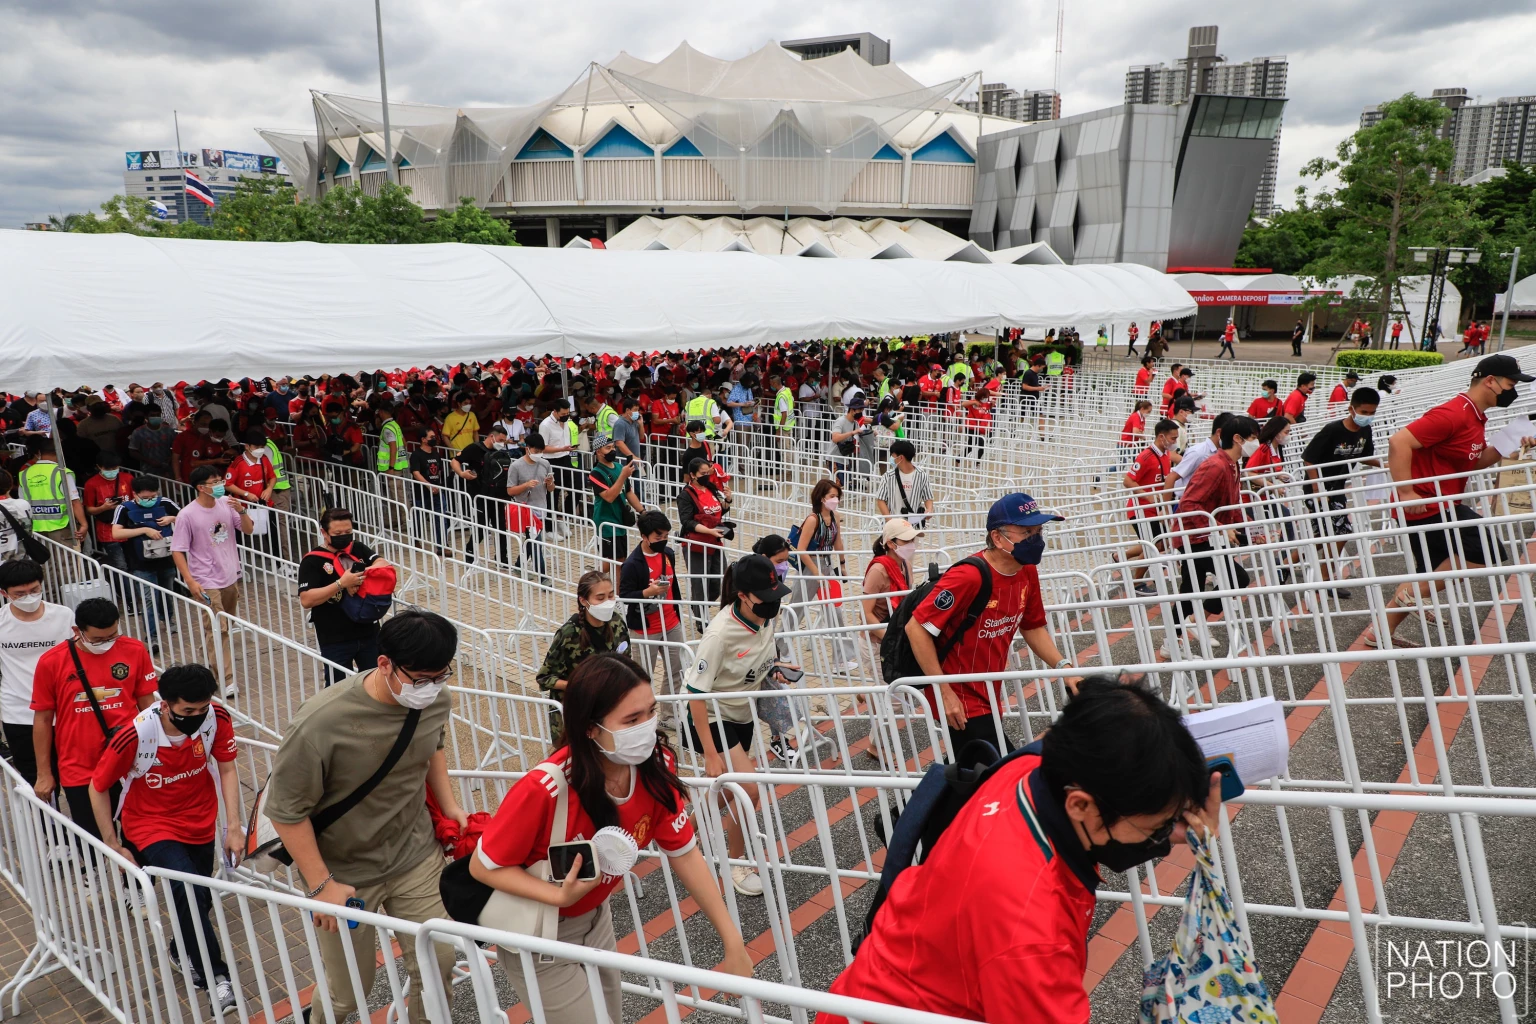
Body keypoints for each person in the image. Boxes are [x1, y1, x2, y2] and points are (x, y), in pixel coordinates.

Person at [822, 678, 1218, 1024]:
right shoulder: (1030, 930)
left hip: (875, 989)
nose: (1161, 839)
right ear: (1080, 805)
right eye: (1155, 828)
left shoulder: (1033, 766)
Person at [470, 653, 751, 1022]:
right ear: (590, 727)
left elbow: (685, 853)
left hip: (596, 918)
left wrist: (732, 940)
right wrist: (558, 895)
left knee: (610, 1017)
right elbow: (484, 865)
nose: (648, 727)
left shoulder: (657, 766)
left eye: (651, 712)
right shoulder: (545, 789)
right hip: (542, 934)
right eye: (632, 720)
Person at [266, 610, 467, 1024]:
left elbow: (433, 747)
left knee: (439, 963)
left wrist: (449, 806)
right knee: (349, 993)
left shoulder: (435, 699)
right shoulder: (321, 722)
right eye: (421, 679)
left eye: (441, 676)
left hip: (415, 856)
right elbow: (287, 812)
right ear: (385, 664)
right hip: (345, 874)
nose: (431, 689)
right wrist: (322, 885)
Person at [88, 663, 241, 1011]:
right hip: (150, 825)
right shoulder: (136, 734)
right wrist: (114, 844)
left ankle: (182, 946)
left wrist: (233, 827)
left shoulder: (217, 716)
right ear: (165, 702)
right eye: (188, 710)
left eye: (202, 708)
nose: (198, 716)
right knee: (185, 888)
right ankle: (215, 976)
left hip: (201, 820)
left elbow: (228, 768)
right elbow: (97, 786)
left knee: (200, 894)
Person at [1371, 356, 1536, 648]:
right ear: (1490, 381)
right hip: (1427, 505)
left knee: (1433, 571)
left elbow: (1471, 463)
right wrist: (1407, 492)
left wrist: (1508, 443)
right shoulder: (1454, 413)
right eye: (1510, 384)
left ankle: (1381, 632)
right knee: (1485, 548)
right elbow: (1399, 442)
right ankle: (1409, 595)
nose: (1512, 391)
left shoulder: (1474, 417)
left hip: (1438, 503)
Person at [906, 493, 1074, 757]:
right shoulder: (968, 576)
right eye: (1026, 531)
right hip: (959, 695)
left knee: (971, 773)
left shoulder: (1026, 570)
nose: (1036, 539)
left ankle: (927, 799)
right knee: (1002, 768)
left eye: (1039, 531)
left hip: (989, 691)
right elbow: (916, 628)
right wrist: (944, 692)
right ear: (997, 538)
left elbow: (1032, 627)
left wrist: (1065, 667)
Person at [684, 553, 792, 897]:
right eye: (766, 598)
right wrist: (710, 754)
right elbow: (695, 695)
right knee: (748, 790)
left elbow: (760, 656)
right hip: (714, 716)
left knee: (727, 790)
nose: (773, 604)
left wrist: (773, 670)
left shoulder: (763, 619)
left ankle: (683, 829)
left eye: (776, 596)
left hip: (743, 714)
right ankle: (735, 863)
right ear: (743, 596)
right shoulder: (719, 634)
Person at [29, 597, 158, 839]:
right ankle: (94, 875)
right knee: (92, 836)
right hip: (79, 765)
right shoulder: (51, 662)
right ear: (78, 631)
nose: (108, 643)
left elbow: (147, 707)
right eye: (99, 639)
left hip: (130, 761)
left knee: (140, 833)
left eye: (113, 636)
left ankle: (136, 878)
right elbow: (43, 720)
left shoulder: (134, 650)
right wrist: (44, 773)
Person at [1170, 417, 1258, 650]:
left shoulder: (1232, 464)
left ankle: (1174, 638)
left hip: (1206, 534)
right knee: (1235, 578)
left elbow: (1230, 505)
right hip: (1194, 535)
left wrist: (1252, 527)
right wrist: (1219, 526)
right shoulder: (1215, 465)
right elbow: (1188, 504)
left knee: (1191, 589)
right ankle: (1193, 622)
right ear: (1237, 439)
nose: (1256, 442)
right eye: (1253, 437)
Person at [170, 465, 255, 696]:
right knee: (219, 629)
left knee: (226, 624)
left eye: (220, 480)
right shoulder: (187, 515)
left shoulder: (227, 503)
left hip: (230, 575)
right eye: (214, 482)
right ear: (200, 487)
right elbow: (177, 550)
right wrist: (190, 581)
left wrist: (243, 511)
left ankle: (210, 650)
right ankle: (226, 679)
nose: (219, 485)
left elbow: (248, 530)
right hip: (206, 579)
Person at [0, 560, 73, 784]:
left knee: (71, 775)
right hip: (19, 712)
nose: (29, 597)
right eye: (20, 594)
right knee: (34, 779)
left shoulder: (64, 615)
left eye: (34, 590)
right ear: (4, 593)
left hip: (64, 710)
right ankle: (46, 820)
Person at [299, 508, 389, 681]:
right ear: (324, 532)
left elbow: (382, 563)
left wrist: (361, 575)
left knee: (377, 681)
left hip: (368, 631)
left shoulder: (357, 548)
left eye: (348, 532)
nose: (344, 536)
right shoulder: (312, 561)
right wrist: (341, 584)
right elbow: (306, 599)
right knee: (337, 688)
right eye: (338, 533)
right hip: (334, 638)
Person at [537, 570, 631, 733]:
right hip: (576, 713)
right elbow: (545, 678)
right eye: (600, 598)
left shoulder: (617, 623)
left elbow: (626, 663)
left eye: (610, 596)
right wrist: (580, 686)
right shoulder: (569, 633)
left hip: (608, 710)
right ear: (583, 600)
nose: (607, 602)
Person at [619, 511, 688, 710]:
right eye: (658, 537)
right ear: (644, 536)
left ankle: (668, 715)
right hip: (645, 628)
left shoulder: (668, 554)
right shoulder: (632, 564)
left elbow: (673, 586)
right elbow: (624, 595)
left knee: (677, 669)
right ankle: (644, 713)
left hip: (672, 622)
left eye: (666, 536)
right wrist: (647, 592)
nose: (663, 541)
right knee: (643, 676)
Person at [1302, 387, 1379, 559]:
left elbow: (1364, 456)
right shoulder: (1333, 430)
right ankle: (1324, 578)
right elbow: (1309, 458)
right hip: (1319, 487)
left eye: (1372, 412)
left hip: (1337, 488)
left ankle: (1284, 566)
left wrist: (1384, 463)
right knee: (1342, 531)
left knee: (1322, 536)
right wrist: (1317, 489)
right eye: (1363, 412)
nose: (1367, 416)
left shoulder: (1365, 431)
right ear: (1351, 409)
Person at [792, 478, 861, 671]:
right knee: (796, 609)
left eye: (837, 496)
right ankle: (780, 649)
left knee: (835, 611)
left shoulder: (835, 516)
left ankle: (841, 659)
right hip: (811, 566)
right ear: (822, 497)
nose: (835, 499)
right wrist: (816, 574)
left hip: (827, 565)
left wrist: (843, 564)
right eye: (832, 496)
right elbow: (801, 550)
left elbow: (838, 542)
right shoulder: (813, 519)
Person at [110, 477, 180, 651]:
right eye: (146, 497)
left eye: (153, 497)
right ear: (135, 494)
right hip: (140, 564)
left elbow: (187, 518)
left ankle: (168, 618)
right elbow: (116, 533)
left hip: (167, 559)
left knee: (167, 593)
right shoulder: (124, 508)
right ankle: (152, 636)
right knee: (148, 600)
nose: (150, 500)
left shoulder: (165, 503)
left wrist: (172, 518)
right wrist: (144, 529)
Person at [1123, 418, 1179, 594]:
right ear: (1161, 437)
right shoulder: (1146, 456)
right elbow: (1127, 480)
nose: (1174, 442)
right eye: (1172, 438)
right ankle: (1135, 583)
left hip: (1153, 511)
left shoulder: (1165, 454)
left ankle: (1121, 557)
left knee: (1157, 544)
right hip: (1140, 510)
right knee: (1155, 545)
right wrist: (1147, 496)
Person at [676, 456, 730, 631]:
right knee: (699, 581)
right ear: (692, 475)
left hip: (714, 540)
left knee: (721, 580)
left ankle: (698, 606)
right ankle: (701, 619)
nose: (707, 476)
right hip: (696, 543)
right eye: (703, 473)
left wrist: (727, 500)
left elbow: (718, 511)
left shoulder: (711, 488)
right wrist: (709, 531)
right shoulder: (686, 495)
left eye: (708, 472)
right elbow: (687, 521)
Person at [452, 422, 515, 564]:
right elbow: (455, 461)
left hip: (497, 494)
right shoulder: (474, 448)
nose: (502, 444)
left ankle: (502, 558)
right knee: (480, 527)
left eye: (504, 441)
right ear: (491, 437)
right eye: (500, 440)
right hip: (479, 494)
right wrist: (462, 473)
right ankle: (469, 556)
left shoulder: (500, 453)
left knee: (501, 527)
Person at [18, 438, 86, 550]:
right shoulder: (62, 472)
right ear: (60, 452)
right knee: (67, 565)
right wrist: (84, 524)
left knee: (45, 565)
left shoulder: (24, 474)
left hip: (37, 529)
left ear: (39, 452)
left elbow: (22, 503)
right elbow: (74, 501)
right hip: (61, 527)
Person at [588, 433, 643, 568]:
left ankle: (600, 578)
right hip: (606, 523)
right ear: (598, 452)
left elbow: (628, 492)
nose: (612, 450)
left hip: (620, 521)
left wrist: (642, 511)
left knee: (620, 559)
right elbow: (609, 496)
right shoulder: (596, 473)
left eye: (613, 447)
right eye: (608, 448)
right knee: (615, 561)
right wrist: (623, 476)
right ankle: (596, 579)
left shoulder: (619, 467)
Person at [862, 518, 920, 644]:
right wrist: (888, 638)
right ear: (890, 544)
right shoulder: (878, 571)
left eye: (912, 540)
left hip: (896, 634)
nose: (911, 544)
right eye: (906, 541)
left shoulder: (906, 565)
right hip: (875, 643)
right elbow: (866, 613)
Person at [1168, 412, 1234, 507]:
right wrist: (1166, 509)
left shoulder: (1222, 453)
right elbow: (1172, 477)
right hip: (1187, 505)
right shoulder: (1199, 453)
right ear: (1219, 432)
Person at [83, 451, 134, 570]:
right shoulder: (91, 484)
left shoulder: (128, 478)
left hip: (129, 528)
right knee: (120, 566)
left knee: (134, 565)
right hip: (107, 532)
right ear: (99, 467)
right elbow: (89, 510)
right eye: (108, 468)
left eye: (115, 468)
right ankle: (123, 588)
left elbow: (136, 498)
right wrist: (103, 508)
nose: (112, 471)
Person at [875, 439, 934, 527]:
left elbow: (928, 497)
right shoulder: (888, 476)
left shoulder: (921, 475)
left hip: (913, 525)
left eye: (892, 456)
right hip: (893, 524)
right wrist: (889, 521)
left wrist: (929, 509)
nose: (891, 459)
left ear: (901, 457)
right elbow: (881, 500)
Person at [408, 429, 447, 555]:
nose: (434, 439)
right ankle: (416, 540)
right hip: (422, 493)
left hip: (437, 492)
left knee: (441, 518)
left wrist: (438, 486)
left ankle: (442, 546)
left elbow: (438, 471)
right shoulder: (416, 455)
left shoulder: (436, 454)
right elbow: (416, 472)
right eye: (431, 437)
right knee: (418, 518)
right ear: (423, 439)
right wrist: (428, 485)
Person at [127, 406, 178, 478]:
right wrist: (149, 461)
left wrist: (171, 458)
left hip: (167, 469)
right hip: (148, 470)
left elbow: (177, 448)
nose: (156, 417)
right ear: (146, 417)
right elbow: (132, 451)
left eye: (158, 415)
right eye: (152, 415)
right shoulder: (138, 432)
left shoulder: (169, 431)